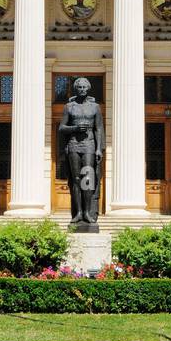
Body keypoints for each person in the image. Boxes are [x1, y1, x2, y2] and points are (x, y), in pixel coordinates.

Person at [57, 77, 104, 229]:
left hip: (89, 144)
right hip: (74, 145)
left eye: (84, 87)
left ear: (88, 88)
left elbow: (98, 129)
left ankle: (87, 213)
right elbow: (62, 128)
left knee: (87, 179)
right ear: (76, 88)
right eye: (79, 87)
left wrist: (98, 148)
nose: (82, 89)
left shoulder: (95, 107)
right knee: (76, 180)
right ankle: (77, 213)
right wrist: (75, 129)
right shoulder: (69, 107)